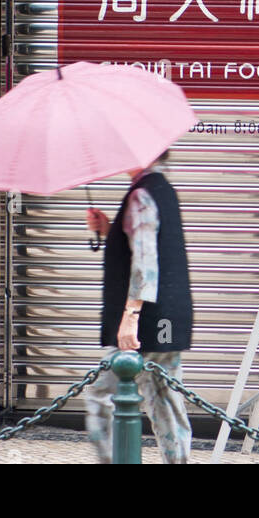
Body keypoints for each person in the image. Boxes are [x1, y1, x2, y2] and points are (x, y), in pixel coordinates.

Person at [83, 149, 194, 464]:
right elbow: (145, 246)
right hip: (167, 317)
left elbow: (146, 263)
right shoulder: (160, 188)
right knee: (165, 401)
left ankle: (114, 459)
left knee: (99, 396)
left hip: (146, 320)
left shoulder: (140, 196)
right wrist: (108, 229)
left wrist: (130, 317)